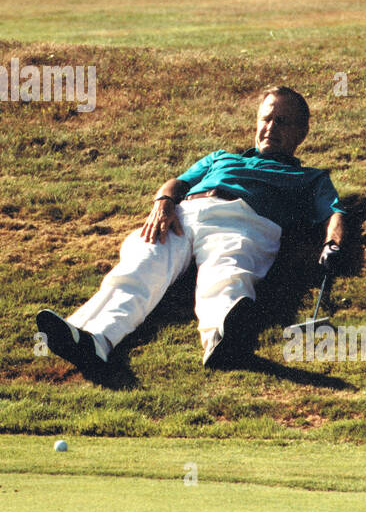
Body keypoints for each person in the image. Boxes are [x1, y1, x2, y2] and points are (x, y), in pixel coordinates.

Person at [36, 86, 346, 372]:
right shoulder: (220, 158)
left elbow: (334, 213)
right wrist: (163, 201)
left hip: (245, 222)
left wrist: (332, 245)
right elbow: (180, 182)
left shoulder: (312, 177)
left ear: (302, 131)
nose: (271, 128)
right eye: (266, 119)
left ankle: (222, 339)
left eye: (283, 121)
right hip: (184, 214)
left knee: (228, 273)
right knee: (142, 262)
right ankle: (92, 339)